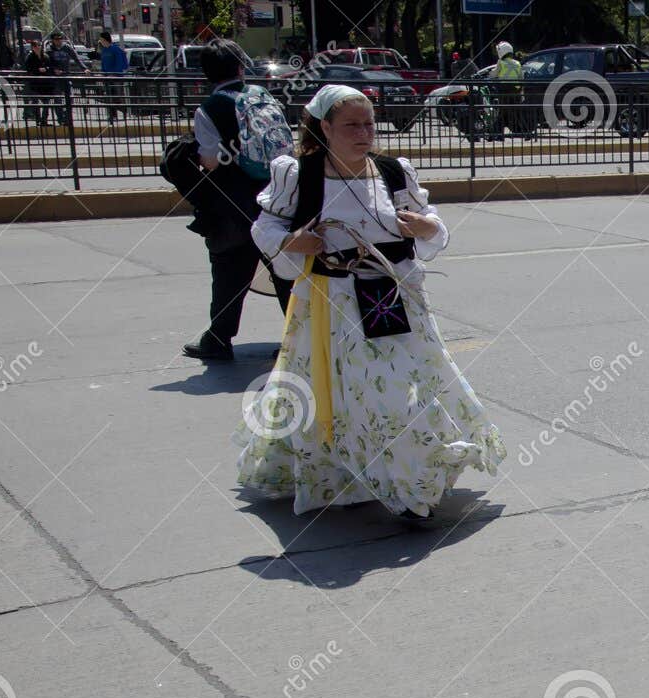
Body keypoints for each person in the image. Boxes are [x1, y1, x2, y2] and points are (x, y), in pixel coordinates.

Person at [242, 84, 505, 519]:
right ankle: (385, 481)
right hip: (334, 304)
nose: (364, 133)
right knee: (356, 396)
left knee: (406, 391)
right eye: (351, 125)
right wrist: (294, 240)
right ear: (324, 127)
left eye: (369, 124)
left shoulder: (392, 172)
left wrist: (424, 226)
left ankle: (412, 480)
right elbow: (264, 227)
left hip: (395, 298)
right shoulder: (298, 174)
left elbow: (434, 225)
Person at [183, 39, 294, 361]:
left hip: (233, 201)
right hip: (278, 195)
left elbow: (212, 160)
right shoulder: (263, 95)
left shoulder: (210, 108)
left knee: (230, 269)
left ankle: (218, 339)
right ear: (241, 66)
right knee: (284, 270)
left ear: (205, 73)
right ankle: (299, 339)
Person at [98, 31, 128, 125]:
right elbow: (103, 63)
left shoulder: (115, 49)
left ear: (105, 39)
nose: (100, 41)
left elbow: (119, 63)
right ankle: (112, 115)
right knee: (109, 96)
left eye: (101, 39)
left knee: (118, 96)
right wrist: (103, 74)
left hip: (116, 77)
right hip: (107, 77)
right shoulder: (104, 51)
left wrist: (114, 73)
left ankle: (124, 113)